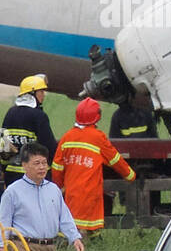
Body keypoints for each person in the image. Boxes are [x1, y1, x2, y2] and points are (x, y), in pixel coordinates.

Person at [0, 142, 84, 251]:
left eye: (44, 163)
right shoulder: (13, 191)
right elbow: (3, 222)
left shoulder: (53, 189)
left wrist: (74, 238)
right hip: (24, 246)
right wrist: (2, 250)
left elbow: (64, 216)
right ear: (24, 165)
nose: (42, 167)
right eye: (37, 163)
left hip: (49, 247)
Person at [52, 98, 136, 233]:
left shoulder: (67, 137)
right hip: (90, 190)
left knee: (70, 220)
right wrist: (130, 175)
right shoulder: (98, 137)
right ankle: (91, 241)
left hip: (71, 190)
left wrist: (59, 186)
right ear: (97, 117)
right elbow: (115, 160)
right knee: (90, 222)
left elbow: (57, 167)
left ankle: (70, 243)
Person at [0, 74, 56, 180]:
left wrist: (4, 169)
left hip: (11, 174)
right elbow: (49, 146)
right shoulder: (39, 115)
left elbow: (3, 145)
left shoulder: (10, 113)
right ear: (32, 93)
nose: (43, 95)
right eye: (41, 91)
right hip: (33, 175)